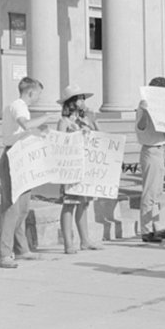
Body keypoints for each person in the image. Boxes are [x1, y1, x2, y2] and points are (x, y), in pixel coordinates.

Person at [0, 77, 60, 269]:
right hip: (13, 157)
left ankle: (21, 249)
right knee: (11, 208)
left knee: (23, 208)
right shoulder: (18, 105)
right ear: (31, 92)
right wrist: (45, 117)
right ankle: (4, 254)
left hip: (23, 158)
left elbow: (24, 131)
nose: (38, 98)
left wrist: (41, 131)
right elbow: (25, 124)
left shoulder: (21, 107)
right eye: (38, 94)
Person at [57, 84, 102, 254]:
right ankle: (68, 242)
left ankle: (85, 240)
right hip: (71, 167)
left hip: (86, 166)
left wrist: (93, 121)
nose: (83, 101)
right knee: (69, 204)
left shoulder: (86, 120)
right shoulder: (64, 122)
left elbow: (101, 137)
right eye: (80, 98)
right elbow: (59, 143)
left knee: (83, 204)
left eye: (83, 98)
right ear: (71, 102)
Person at [136, 76, 165, 243]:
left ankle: (157, 227)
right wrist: (146, 111)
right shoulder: (144, 105)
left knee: (157, 191)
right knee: (149, 191)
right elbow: (140, 126)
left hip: (160, 148)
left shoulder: (162, 106)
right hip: (151, 149)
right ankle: (146, 230)